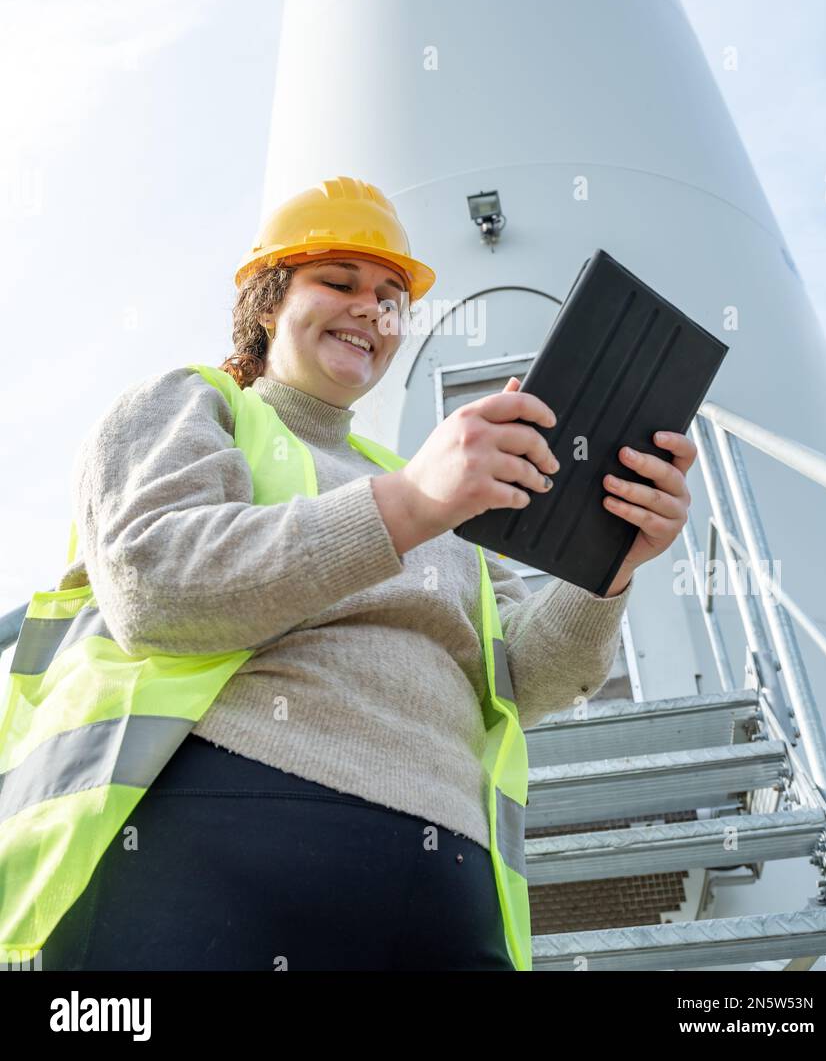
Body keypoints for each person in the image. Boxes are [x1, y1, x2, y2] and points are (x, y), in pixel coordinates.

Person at [39, 177, 692, 972]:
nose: (371, 310)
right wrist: (412, 503)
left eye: (390, 297)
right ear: (268, 303)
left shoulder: (434, 491)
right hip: (222, 834)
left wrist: (609, 571)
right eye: (338, 282)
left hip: (447, 870)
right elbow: (156, 583)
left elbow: (523, 678)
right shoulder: (192, 405)